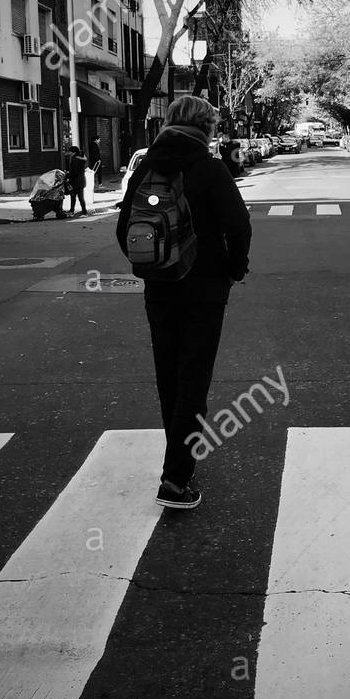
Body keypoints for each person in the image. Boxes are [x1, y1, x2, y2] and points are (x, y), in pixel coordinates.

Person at [116, 96, 252, 511]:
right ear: (206, 127)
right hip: (204, 288)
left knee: (169, 376)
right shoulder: (210, 169)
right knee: (194, 378)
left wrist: (154, 264)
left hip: (160, 288)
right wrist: (233, 268)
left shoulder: (145, 167)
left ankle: (178, 459)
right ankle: (176, 479)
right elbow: (239, 225)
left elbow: (124, 229)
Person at [65, 144, 88, 216]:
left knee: (75, 196)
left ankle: (82, 211)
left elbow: (75, 172)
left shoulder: (75, 160)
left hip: (76, 181)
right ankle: (79, 210)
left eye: (70, 152)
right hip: (80, 181)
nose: (69, 153)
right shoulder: (79, 159)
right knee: (78, 197)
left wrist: (68, 176)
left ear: (74, 152)